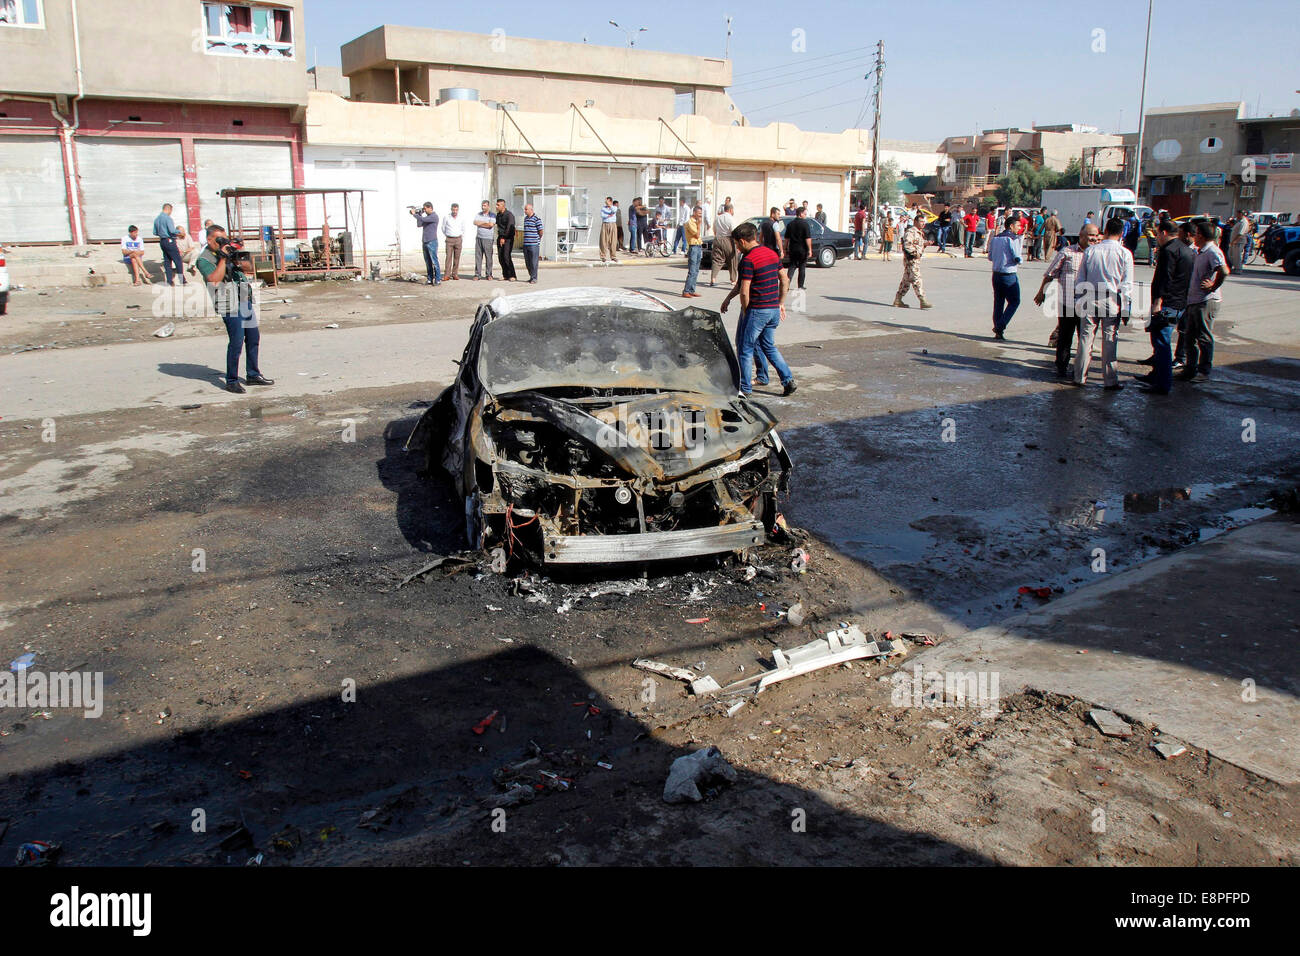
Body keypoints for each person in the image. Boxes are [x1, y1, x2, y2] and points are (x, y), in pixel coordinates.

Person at [719, 221, 797, 397]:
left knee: (745, 349)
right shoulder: (772, 254)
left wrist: (746, 312)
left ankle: (745, 389)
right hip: (772, 310)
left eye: (737, 244)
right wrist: (781, 302)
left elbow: (745, 290)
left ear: (743, 241)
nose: (737, 248)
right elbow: (785, 280)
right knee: (769, 347)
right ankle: (788, 380)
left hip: (757, 310)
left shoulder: (748, 260)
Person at [196, 225, 273, 394]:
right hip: (226, 301)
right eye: (219, 239)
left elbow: (249, 269)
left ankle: (253, 374)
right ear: (209, 240)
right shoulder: (204, 259)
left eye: (224, 238)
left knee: (253, 337)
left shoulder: (229, 252)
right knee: (237, 341)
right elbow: (214, 281)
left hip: (243, 296)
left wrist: (237, 255)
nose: (222, 242)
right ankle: (231, 380)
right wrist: (223, 258)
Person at [1073, 217, 1134, 390]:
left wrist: (1079, 299)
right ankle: (1110, 380)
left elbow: (1081, 278)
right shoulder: (1125, 253)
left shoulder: (1091, 251)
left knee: (1085, 338)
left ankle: (1079, 377)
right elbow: (1127, 285)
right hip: (1112, 300)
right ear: (1122, 233)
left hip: (1089, 297)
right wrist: (1126, 308)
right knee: (1110, 339)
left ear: (1105, 231)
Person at [1136, 219, 1194, 395]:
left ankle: (1162, 383)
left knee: (1162, 341)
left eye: (1157, 234)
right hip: (1180, 302)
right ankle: (1156, 375)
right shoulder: (1186, 250)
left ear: (1163, 233)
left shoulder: (1169, 251)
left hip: (1168, 303)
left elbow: (1165, 278)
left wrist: (1157, 302)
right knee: (1160, 339)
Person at [1034, 223, 1095, 378]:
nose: (1093, 238)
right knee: (1065, 337)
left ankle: (1081, 370)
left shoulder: (1097, 254)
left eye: (1096, 235)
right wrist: (1042, 292)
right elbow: (1050, 274)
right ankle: (1061, 367)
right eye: (1090, 235)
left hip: (1088, 303)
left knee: (1085, 338)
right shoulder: (1067, 252)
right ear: (1081, 236)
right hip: (1068, 302)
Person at [1181, 219, 1229, 383]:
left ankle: (1204, 371)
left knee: (1203, 336)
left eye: (1196, 234)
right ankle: (1190, 368)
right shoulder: (1200, 251)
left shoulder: (1213, 251)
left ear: (1200, 235)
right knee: (1190, 337)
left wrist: (1213, 286)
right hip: (1194, 300)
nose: (1194, 237)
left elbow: (1224, 270)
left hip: (1206, 301)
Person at [988, 216, 1023, 339]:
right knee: (1015, 301)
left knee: (999, 302)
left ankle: (998, 331)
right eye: (1018, 225)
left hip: (996, 274)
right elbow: (1017, 257)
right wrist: (1019, 260)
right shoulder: (1012, 239)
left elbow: (990, 256)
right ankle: (1000, 326)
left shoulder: (996, 238)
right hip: (1008, 274)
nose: (1019, 228)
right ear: (1011, 226)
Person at [893, 216, 931, 308]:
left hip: (915, 260)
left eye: (923, 222)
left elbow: (918, 244)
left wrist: (925, 244)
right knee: (916, 279)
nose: (923, 223)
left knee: (906, 280)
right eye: (921, 221)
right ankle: (922, 299)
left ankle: (898, 299)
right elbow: (907, 245)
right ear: (915, 222)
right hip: (911, 259)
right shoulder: (911, 232)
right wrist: (915, 254)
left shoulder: (919, 233)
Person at [153, 203, 185, 285]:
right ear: (169, 209)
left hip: (162, 241)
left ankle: (169, 280)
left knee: (167, 261)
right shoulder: (168, 218)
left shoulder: (157, 219)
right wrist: (179, 232)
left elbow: (155, 232)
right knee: (177, 260)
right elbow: (172, 230)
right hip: (170, 240)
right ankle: (182, 280)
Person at [411, 202, 441, 285]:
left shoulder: (434, 216)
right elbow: (419, 224)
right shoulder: (427, 217)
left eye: (425, 209)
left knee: (434, 261)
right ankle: (430, 279)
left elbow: (423, 220)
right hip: (425, 241)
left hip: (432, 241)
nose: (424, 210)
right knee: (428, 262)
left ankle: (438, 279)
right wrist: (419, 214)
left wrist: (415, 214)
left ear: (430, 208)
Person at [784, 206, 812, 290]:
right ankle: (800, 285)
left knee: (792, 266)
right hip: (802, 249)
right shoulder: (805, 224)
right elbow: (808, 238)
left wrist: (785, 248)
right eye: (805, 214)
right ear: (800, 214)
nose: (806, 215)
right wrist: (810, 249)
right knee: (802, 267)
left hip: (793, 248)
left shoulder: (790, 224)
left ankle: (786, 285)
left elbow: (786, 239)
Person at [710, 202, 737, 287]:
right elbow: (733, 231)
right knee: (732, 259)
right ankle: (733, 279)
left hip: (717, 239)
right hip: (727, 239)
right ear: (730, 209)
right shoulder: (730, 218)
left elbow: (714, 230)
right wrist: (736, 242)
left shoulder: (718, 218)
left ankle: (713, 279)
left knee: (717, 259)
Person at [682, 205, 704, 297]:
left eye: (701, 214)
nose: (700, 216)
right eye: (699, 213)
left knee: (696, 270)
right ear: (694, 213)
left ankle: (692, 289)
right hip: (693, 247)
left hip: (698, 246)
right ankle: (686, 291)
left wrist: (698, 224)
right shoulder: (690, 223)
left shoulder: (695, 222)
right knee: (692, 270)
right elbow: (697, 235)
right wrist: (699, 224)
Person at [495, 199, 517, 280]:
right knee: (501, 257)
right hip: (500, 237)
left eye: (498, 205)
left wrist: (504, 237)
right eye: (496, 205)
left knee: (506, 256)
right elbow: (498, 227)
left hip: (508, 238)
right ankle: (505, 275)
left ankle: (512, 275)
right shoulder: (498, 215)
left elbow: (509, 228)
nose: (496, 207)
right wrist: (500, 237)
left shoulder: (509, 215)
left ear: (503, 206)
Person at [473, 200, 495, 279]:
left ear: (488, 206)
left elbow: (490, 225)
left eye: (485, 205)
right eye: (482, 205)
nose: (483, 207)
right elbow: (475, 222)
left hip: (488, 238)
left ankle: (489, 274)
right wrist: (485, 223)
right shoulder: (479, 214)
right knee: (478, 257)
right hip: (479, 237)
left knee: (488, 257)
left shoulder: (492, 215)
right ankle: (477, 274)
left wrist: (481, 223)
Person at [521, 203, 543, 283]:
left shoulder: (537, 219)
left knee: (534, 262)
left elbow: (540, 231)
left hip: (534, 244)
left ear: (531, 210)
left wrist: (537, 239)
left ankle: (534, 278)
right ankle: (531, 276)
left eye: (526, 209)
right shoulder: (526, 219)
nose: (525, 211)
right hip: (526, 244)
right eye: (525, 209)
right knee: (528, 262)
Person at [441, 203, 464, 280]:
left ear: (458, 210)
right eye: (453, 209)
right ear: (451, 209)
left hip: (458, 239)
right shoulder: (446, 217)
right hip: (449, 239)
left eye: (456, 210)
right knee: (448, 257)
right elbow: (443, 228)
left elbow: (463, 228)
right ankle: (447, 274)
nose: (455, 211)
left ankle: (455, 274)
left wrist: (460, 236)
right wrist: (448, 235)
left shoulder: (461, 218)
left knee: (457, 258)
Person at [599, 197, 618, 263]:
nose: (606, 203)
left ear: (610, 201)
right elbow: (603, 215)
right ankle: (603, 256)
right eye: (605, 201)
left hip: (613, 224)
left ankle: (613, 256)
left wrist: (610, 206)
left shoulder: (614, 207)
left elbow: (614, 211)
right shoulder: (603, 208)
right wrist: (610, 214)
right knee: (603, 240)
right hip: (605, 224)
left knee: (613, 240)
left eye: (607, 201)